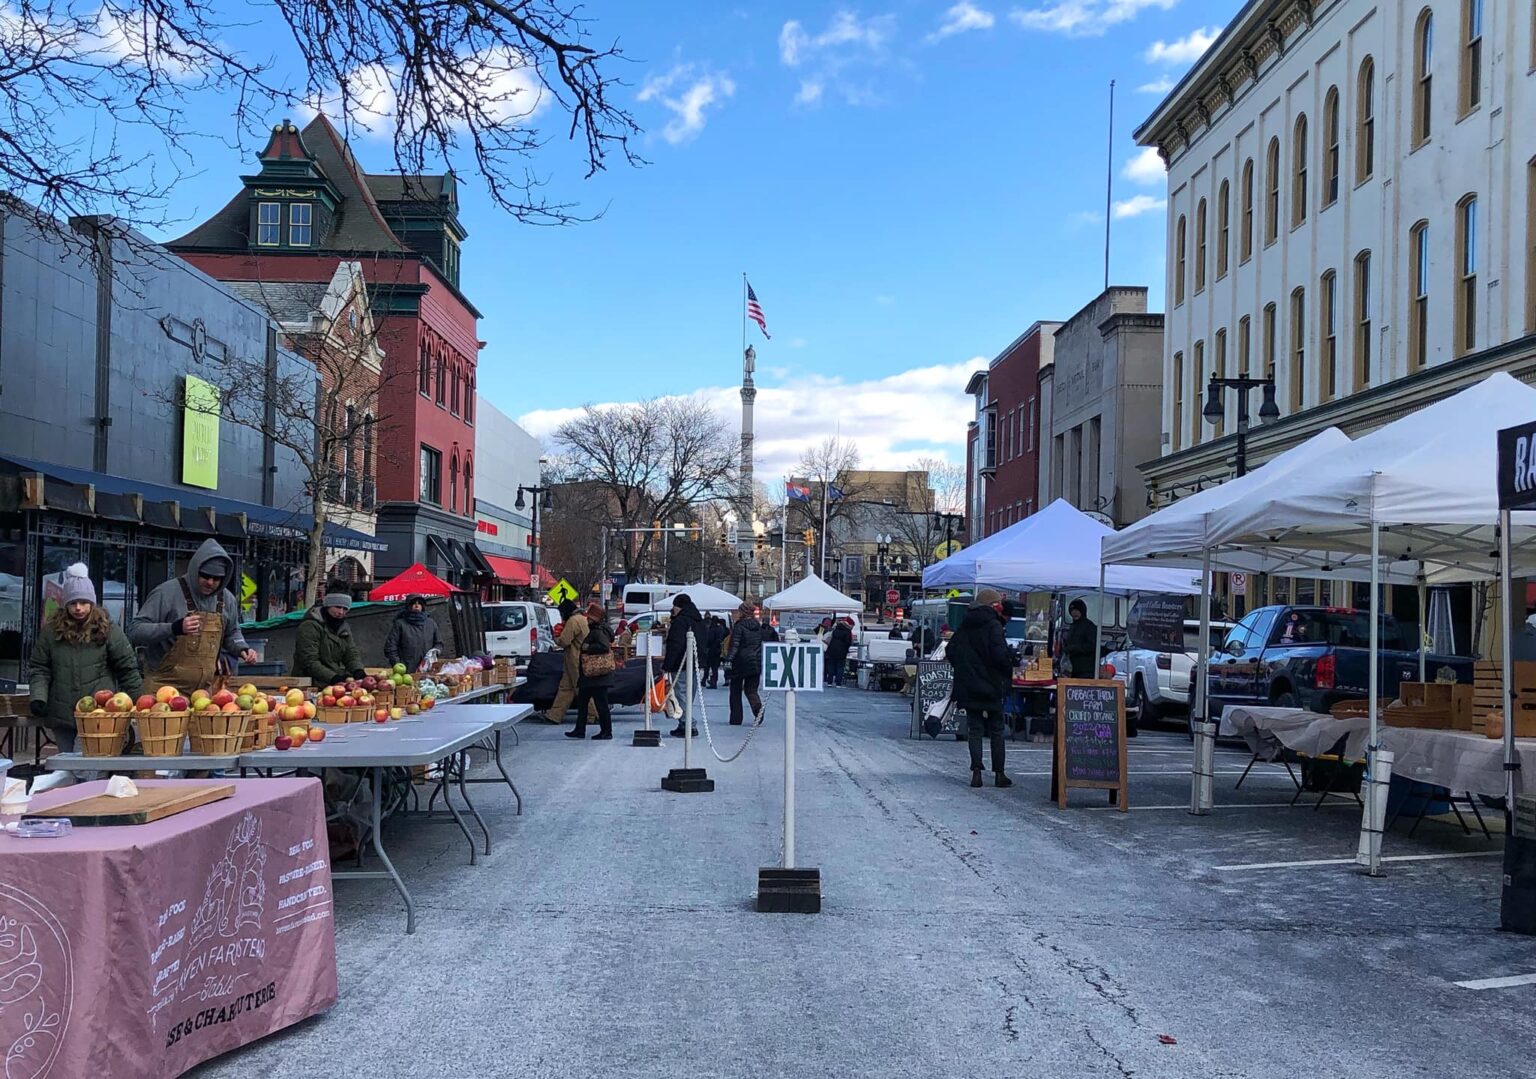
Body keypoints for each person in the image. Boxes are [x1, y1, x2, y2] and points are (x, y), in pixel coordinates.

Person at [29, 563, 142, 753]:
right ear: (66, 605)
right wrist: (39, 697)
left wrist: (140, 701)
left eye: (83, 602)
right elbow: (39, 668)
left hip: (99, 713)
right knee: (66, 765)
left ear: (92, 603)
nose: (78, 608)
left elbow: (127, 668)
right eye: (73, 603)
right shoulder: (51, 632)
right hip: (62, 713)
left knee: (92, 767)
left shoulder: (108, 630)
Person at [129, 538, 258, 692]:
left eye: (216, 579)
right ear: (195, 570)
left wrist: (242, 648)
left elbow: (232, 632)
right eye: (205, 576)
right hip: (163, 689)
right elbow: (134, 631)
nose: (210, 582)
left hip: (203, 693)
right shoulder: (166, 593)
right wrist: (174, 628)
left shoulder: (227, 599)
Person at [946, 587, 1016, 789]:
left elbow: (951, 651)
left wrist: (966, 669)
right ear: (994, 606)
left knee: (974, 729)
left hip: (969, 686)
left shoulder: (965, 625)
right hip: (992, 685)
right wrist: (1008, 668)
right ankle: (999, 773)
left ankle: (976, 772)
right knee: (996, 729)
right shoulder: (993, 625)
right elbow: (1000, 656)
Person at [293, 585, 365, 685]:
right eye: (337, 607)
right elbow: (309, 661)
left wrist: (358, 670)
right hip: (309, 684)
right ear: (327, 605)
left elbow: (351, 653)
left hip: (333, 684)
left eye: (345, 609)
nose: (341, 612)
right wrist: (334, 678)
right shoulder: (310, 626)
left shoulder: (343, 627)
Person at [567, 603, 615, 740]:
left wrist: (588, 647)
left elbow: (604, 647)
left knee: (600, 704)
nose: (586, 619)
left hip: (596, 675)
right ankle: (580, 729)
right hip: (593, 676)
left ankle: (606, 731)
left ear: (594, 619)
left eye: (589, 617)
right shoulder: (599, 629)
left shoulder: (597, 631)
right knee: (584, 702)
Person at [662, 593, 705, 737]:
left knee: (679, 694)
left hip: (680, 663)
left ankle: (688, 724)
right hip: (695, 664)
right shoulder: (698, 620)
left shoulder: (680, 622)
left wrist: (667, 665)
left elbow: (675, 644)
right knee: (688, 695)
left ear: (678, 606)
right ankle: (683, 724)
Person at [544, 599, 589, 724]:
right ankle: (555, 715)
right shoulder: (581, 619)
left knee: (581, 688)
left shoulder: (573, 621)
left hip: (575, 659)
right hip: (576, 659)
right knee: (566, 688)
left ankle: (592, 715)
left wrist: (556, 638)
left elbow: (565, 641)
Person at [383, 593, 442, 674]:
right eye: (414, 603)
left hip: (427, 670)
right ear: (408, 606)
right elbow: (390, 647)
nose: (417, 605)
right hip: (406, 670)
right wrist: (398, 664)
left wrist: (435, 652)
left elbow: (439, 643)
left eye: (419, 603)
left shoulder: (431, 623)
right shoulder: (400, 623)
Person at [726, 602, 764, 726]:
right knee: (752, 690)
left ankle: (736, 718)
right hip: (755, 661)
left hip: (740, 662)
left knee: (735, 691)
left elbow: (735, 646)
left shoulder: (739, 626)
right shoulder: (758, 626)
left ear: (742, 612)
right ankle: (758, 711)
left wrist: (728, 660)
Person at [1063, 598, 1098, 678]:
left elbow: (1091, 646)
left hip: (1086, 670)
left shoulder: (1089, 626)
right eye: (1072, 611)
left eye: (1077, 610)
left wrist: (1073, 648)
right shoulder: (1072, 626)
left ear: (1082, 611)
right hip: (1073, 668)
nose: (1074, 613)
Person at [826, 617, 853, 688]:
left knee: (831, 666)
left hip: (832, 650)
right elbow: (848, 642)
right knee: (840, 667)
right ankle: (838, 683)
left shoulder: (835, 630)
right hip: (842, 651)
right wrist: (846, 649)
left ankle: (829, 682)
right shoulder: (847, 631)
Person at [702, 615, 727, 689]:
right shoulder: (721, 629)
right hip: (719, 650)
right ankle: (715, 681)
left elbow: (709, 640)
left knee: (709, 666)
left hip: (712, 650)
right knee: (715, 667)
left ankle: (709, 681)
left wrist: (706, 646)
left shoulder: (712, 629)